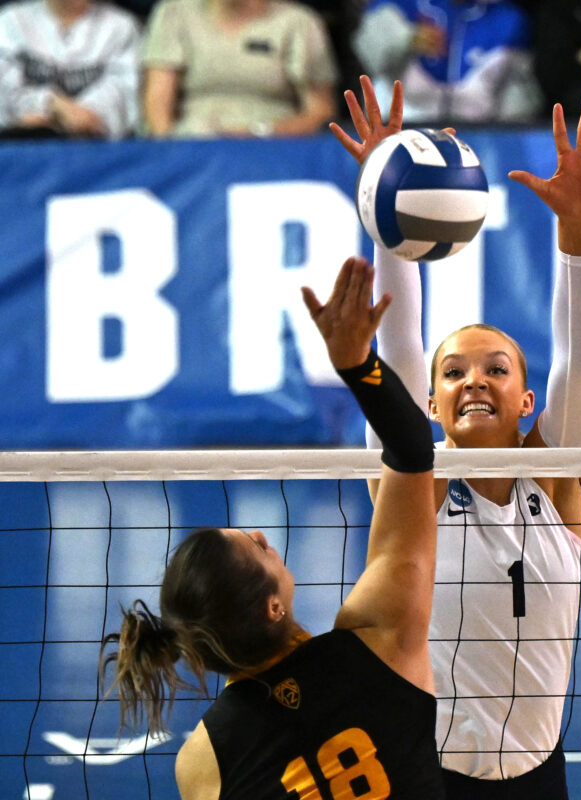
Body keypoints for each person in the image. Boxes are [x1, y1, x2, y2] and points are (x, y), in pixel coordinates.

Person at [331, 76, 581, 797]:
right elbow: (399, 352)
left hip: (539, 772)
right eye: (454, 372)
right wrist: (386, 206)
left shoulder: (556, 483)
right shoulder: (417, 493)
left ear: (527, 401)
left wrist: (580, 231)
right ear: (430, 406)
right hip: (432, 776)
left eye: (496, 369)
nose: (474, 381)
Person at [99, 256, 444, 799]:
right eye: (255, 547)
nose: (262, 535)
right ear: (273, 608)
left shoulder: (203, 758)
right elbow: (412, 448)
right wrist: (356, 366)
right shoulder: (379, 641)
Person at [140, 0, 337, 138]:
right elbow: (158, 111)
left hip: (276, 147)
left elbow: (320, 111)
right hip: (193, 144)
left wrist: (261, 132)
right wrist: (172, 154)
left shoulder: (300, 22)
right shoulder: (173, 14)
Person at [353, 0, 542, 123]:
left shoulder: (508, 20)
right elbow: (368, 54)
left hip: (477, 138)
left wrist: (507, 138)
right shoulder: (398, 4)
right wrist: (406, 38)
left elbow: (518, 105)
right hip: (400, 130)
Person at [0, 0, 140, 139]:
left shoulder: (122, 27)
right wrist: (50, 104)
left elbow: (122, 95)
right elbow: (6, 93)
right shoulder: (9, 21)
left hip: (95, 144)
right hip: (22, 141)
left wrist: (79, 115)